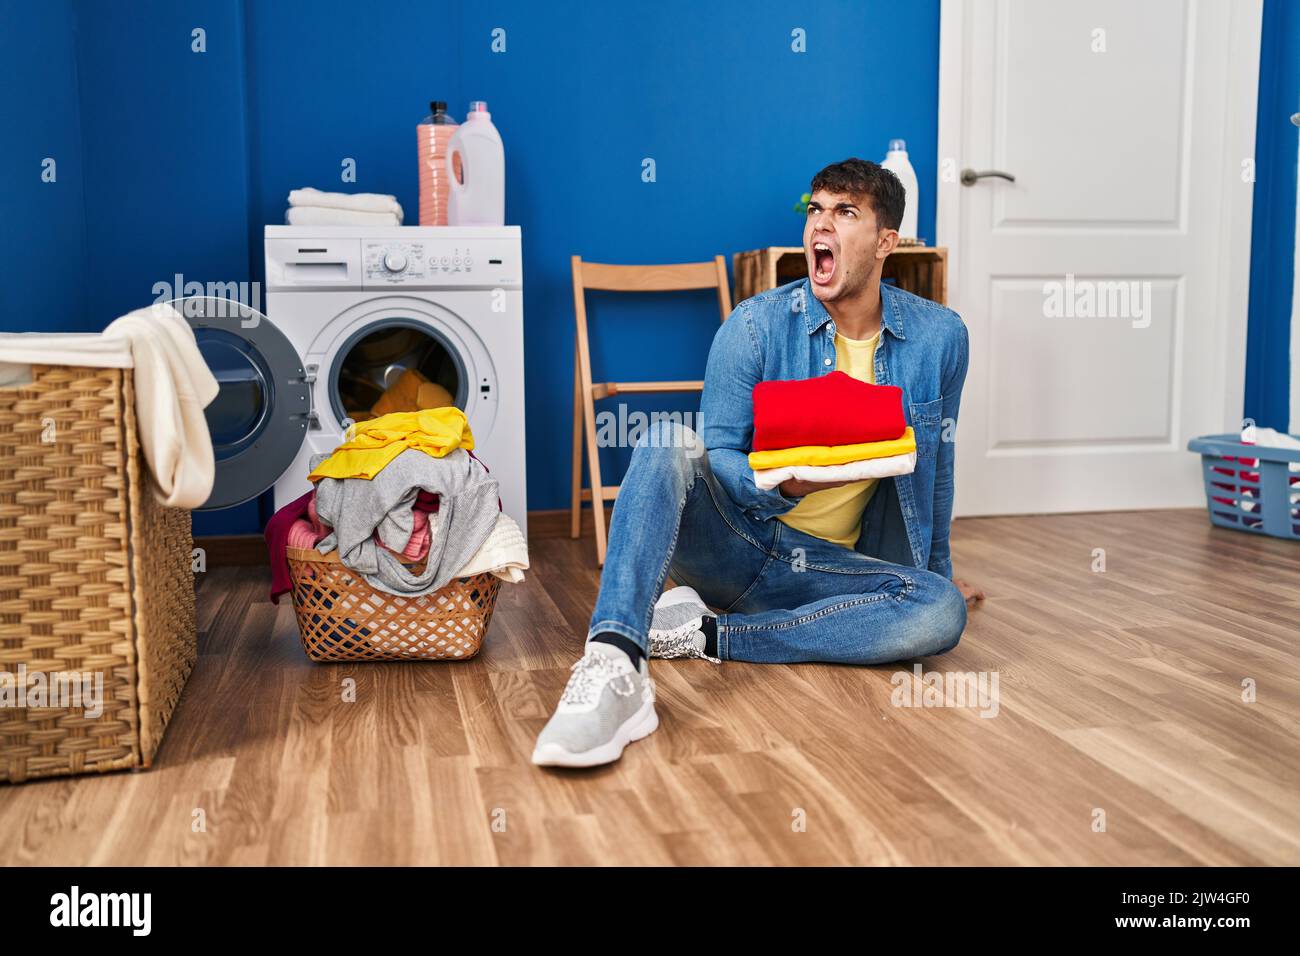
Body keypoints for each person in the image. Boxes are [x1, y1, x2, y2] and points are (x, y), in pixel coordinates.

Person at [533, 158, 971, 768]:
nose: (823, 224)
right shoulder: (756, 325)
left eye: (846, 212)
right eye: (816, 209)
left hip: (833, 569)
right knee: (665, 437)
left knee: (942, 611)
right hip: (739, 541)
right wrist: (780, 486)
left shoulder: (939, 336)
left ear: (885, 242)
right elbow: (720, 454)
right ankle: (615, 662)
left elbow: (937, 468)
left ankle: (708, 634)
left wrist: (937, 573)